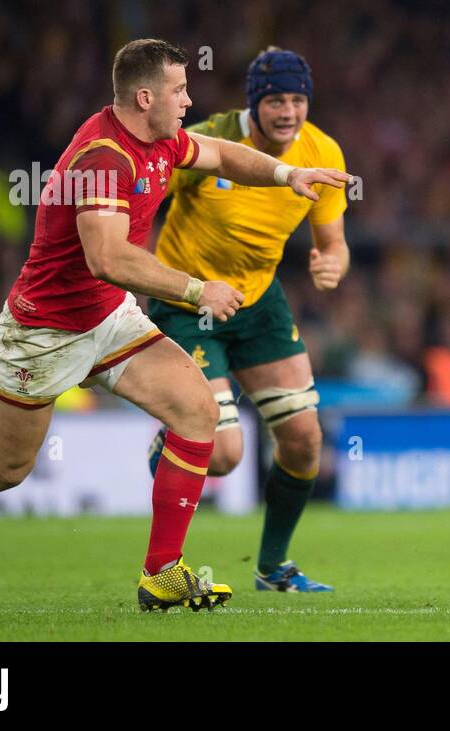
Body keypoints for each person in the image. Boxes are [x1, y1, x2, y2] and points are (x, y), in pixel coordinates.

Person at [0, 39, 350, 612]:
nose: (188, 99)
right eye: (179, 90)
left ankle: (161, 574)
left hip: (108, 320)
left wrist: (285, 174)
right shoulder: (103, 158)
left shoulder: (162, 137)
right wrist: (199, 289)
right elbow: (109, 258)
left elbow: (221, 155)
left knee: (197, 411)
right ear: (145, 96)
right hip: (44, 333)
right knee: (4, 469)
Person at [145, 47, 347, 593]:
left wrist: (332, 263)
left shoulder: (323, 151)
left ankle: (272, 568)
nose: (288, 112)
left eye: (298, 100)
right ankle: (168, 450)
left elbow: (334, 243)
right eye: (276, 100)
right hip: (190, 302)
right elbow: (146, 204)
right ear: (253, 104)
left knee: (304, 439)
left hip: (258, 303)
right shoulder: (206, 140)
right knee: (227, 454)